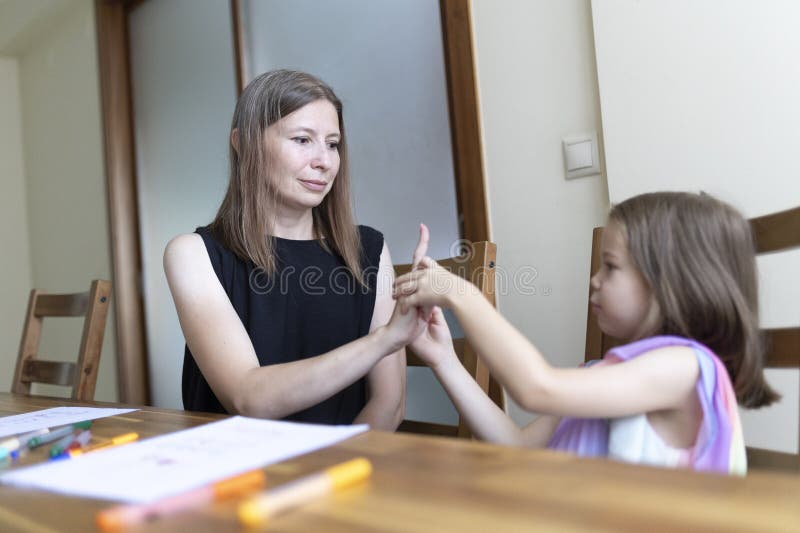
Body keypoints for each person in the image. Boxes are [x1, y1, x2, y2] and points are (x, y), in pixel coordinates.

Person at [394, 192, 779, 474]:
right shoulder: (601, 375)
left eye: (610, 267)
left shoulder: (683, 369)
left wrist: (463, 295)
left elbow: (536, 388)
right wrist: (444, 360)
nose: (595, 280)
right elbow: (517, 446)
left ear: (670, 284)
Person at [164, 70, 426, 429]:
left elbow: (388, 405)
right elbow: (247, 397)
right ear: (244, 143)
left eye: (332, 144)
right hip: (239, 463)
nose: (324, 161)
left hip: (348, 460)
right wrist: (385, 340)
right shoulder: (193, 254)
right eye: (303, 140)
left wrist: (336, 464)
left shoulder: (368, 251)